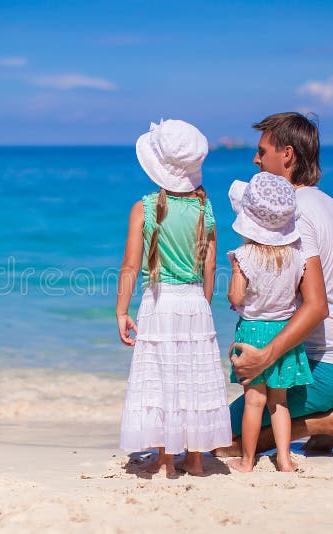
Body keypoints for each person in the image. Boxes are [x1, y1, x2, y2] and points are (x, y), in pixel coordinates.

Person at [214, 112, 333, 463]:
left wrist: (264, 357)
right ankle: (322, 423)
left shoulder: (294, 215)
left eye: (262, 151)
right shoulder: (332, 205)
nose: (255, 159)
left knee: (218, 439)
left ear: (286, 155)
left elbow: (317, 306)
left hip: (325, 366)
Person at [117, 119, 232, 477]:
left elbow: (131, 265)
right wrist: (204, 304)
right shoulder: (205, 209)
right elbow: (210, 266)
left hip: (160, 302)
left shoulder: (146, 208)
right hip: (195, 301)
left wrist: (121, 310)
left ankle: (166, 459)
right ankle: (195, 460)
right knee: (192, 381)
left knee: (165, 377)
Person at [225, 172, 314, 473]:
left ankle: (248, 461)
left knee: (254, 401)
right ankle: (285, 460)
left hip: (252, 331)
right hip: (284, 332)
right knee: (280, 402)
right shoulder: (296, 255)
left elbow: (236, 297)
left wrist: (235, 274)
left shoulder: (243, 255)